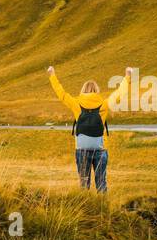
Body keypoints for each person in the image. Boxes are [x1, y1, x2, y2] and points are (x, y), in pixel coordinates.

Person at [47, 65, 133, 193]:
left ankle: (85, 210)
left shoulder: (76, 103)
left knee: (83, 185)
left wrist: (52, 75)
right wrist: (127, 76)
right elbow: (119, 93)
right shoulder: (104, 104)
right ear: (97, 91)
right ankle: (103, 211)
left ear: (83, 90)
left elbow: (62, 94)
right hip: (100, 149)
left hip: (81, 149)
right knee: (101, 184)